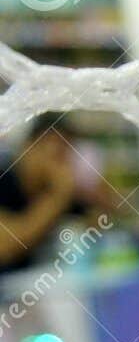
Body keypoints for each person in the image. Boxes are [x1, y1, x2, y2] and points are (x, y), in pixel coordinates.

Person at [0, 115, 110, 271]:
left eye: (68, 154)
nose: (62, 164)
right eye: (57, 153)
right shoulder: (5, 180)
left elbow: (97, 224)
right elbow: (6, 247)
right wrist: (58, 196)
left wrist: (97, 198)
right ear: (28, 148)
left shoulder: (53, 189)